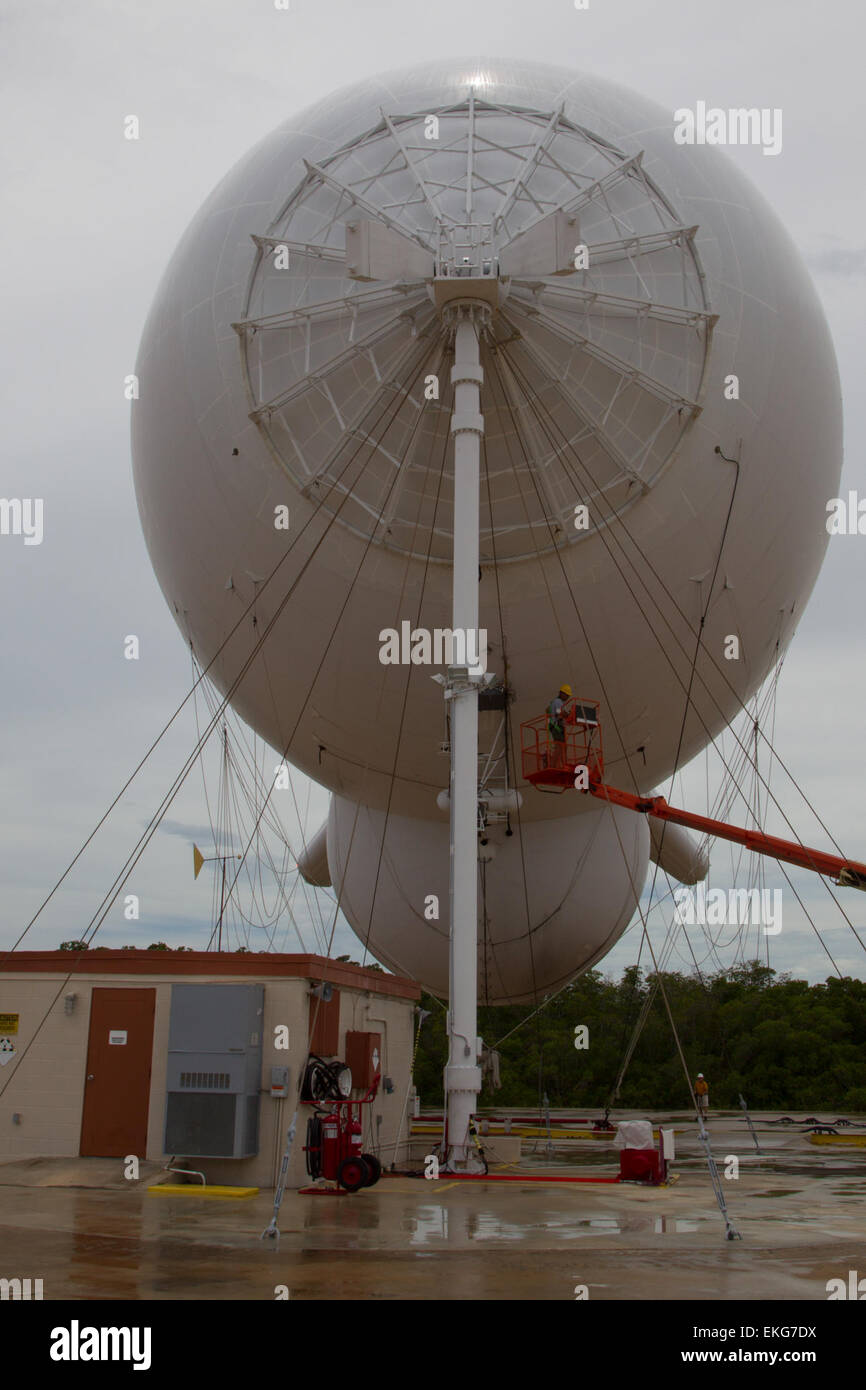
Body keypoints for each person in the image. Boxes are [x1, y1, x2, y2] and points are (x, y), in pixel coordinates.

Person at [547, 683, 574, 768]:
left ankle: (560, 764)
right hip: (557, 727)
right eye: (567, 695)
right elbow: (560, 712)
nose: (567, 698)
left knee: (562, 746)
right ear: (562, 693)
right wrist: (569, 714)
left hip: (556, 727)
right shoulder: (558, 701)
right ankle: (554, 765)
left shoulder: (556, 702)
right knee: (560, 746)